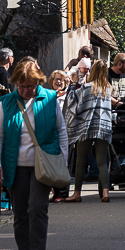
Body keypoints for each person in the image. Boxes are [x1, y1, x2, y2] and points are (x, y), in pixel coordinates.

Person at [0, 59, 69, 250]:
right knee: (20, 215)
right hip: (15, 166)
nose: (26, 90)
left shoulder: (50, 98)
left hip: (42, 166)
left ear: (38, 83)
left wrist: (62, 160)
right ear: (15, 83)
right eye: (22, 86)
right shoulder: (6, 102)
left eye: (31, 86)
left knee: (37, 209)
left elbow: (61, 130)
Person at [64, 60, 113, 202]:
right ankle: (105, 193)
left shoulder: (86, 88)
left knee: (80, 161)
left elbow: (72, 101)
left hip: (86, 127)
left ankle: (77, 194)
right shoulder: (108, 89)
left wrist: (73, 85)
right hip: (103, 127)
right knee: (102, 161)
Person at [47, 70, 71, 202]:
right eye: (56, 79)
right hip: (51, 133)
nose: (58, 82)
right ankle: (55, 192)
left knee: (64, 162)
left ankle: (63, 192)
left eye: (61, 79)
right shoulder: (49, 96)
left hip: (66, 133)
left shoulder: (69, 96)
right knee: (53, 162)